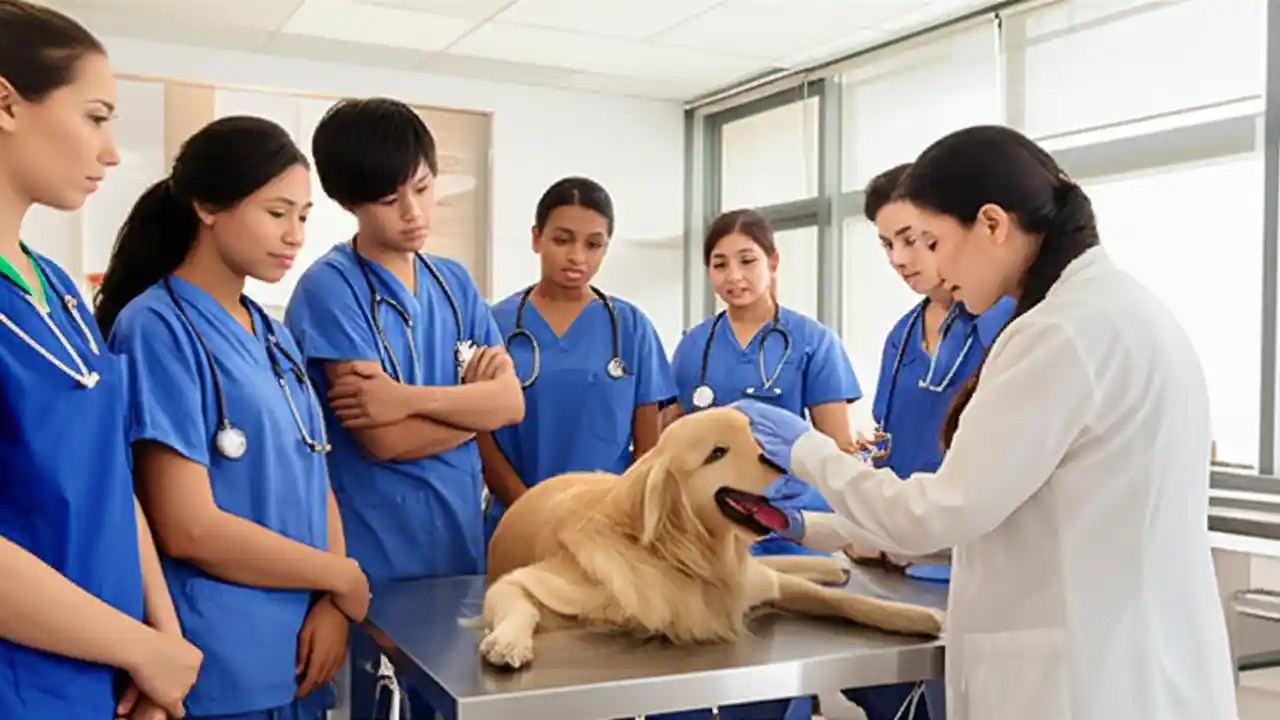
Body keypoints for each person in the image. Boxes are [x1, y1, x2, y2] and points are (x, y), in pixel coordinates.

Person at [733, 124, 1238, 720]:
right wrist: (810, 526)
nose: (933, 266)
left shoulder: (1059, 333)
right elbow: (1010, 514)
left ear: (992, 225)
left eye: (934, 240)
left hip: (1084, 682)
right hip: (1132, 666)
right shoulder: (1123, 311)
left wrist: (806, 451)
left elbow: (939, 512)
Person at [96, 115, 369, 720]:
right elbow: (187, 526)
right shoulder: (155, 328)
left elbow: (314, 471)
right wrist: (344, 577)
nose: (295, 234)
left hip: (301, 652)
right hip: (221, 662)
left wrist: (331, 599)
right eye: (276, 212)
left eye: (302, 215)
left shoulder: (273, 334)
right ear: (208, 206)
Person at [283, 96, 523, 720]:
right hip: (375, 563)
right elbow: (381, 442)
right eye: (391, 201)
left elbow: (510, 403)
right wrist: (470, 417)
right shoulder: (330, 290)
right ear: (349, 203)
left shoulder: (453, 282)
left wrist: (405, 399)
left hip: (457, 556)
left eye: (422, 186)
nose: (415, 213)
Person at [0, 2, 203, 718]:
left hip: (108, 675)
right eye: (96, 116)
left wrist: (161, 643)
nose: (112, 152)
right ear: (6, 103)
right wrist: (141, 650)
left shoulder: (56, 289)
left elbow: (111, 485)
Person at [666, 208, 863, 720]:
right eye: (719, 264)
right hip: (707, 537)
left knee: (771, 675)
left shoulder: (811, 341)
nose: (734, 276)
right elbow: (675, 440)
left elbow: (836, 446)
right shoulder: (694, 346)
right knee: (700, 665)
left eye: (747, 260)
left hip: (781, 527)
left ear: (773, 262)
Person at [840, 163, 1015, 720]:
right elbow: (887, 449)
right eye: (887, 244)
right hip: (896, 570)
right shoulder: (901, 335)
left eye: (915, 240)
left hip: (970, 571)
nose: (900, 258)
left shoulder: (1006, 325)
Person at [479, 176, 677, 542]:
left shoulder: (630, 327)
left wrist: (621, 517)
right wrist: (529, 511)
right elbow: (481, 437)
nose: (577, 257)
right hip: (517, 521)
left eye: (593, 244)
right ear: (537, 238)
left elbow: (648, 449)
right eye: (562, 239)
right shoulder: (494, 324)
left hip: (608, 527)